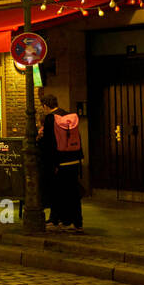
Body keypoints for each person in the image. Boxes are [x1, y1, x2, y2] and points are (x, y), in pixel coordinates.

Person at [38, 93, 84, 233]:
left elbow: (49, 145)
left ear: (45, 106)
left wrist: (39, 139)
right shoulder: (67, 115)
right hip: (74, 160)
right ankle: (75, 222)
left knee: (60, 193)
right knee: (73, 193)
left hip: (60, 163)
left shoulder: (51, 119)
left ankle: (66, 221)